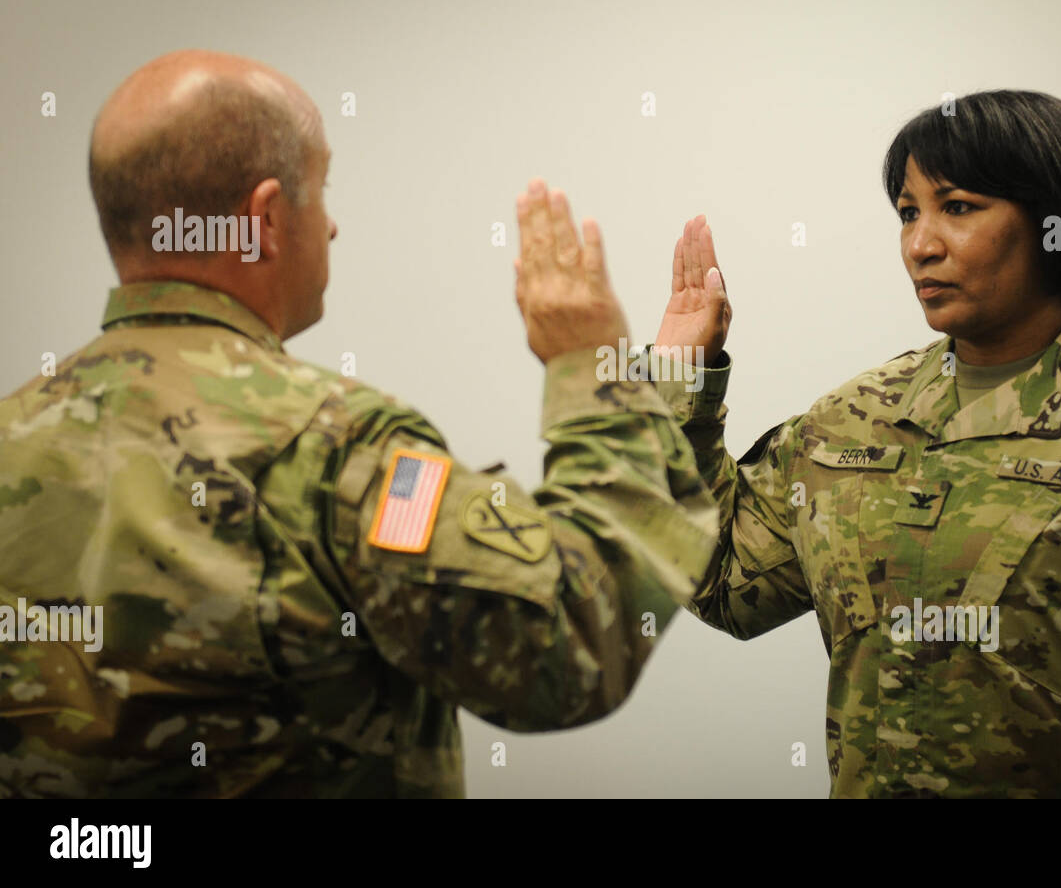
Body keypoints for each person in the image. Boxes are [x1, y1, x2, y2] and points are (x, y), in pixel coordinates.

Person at [0, 50, 717, 798]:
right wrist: (592, 364)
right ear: (266, 219)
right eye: (323, 188)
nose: (333, 225)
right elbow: (571, 644)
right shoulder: (336, 446)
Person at [651, 89, 1061, 797]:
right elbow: (721, 585)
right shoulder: (849, 421)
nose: (921, 244)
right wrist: (680, 386)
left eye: (957, 207)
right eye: (908, 212)